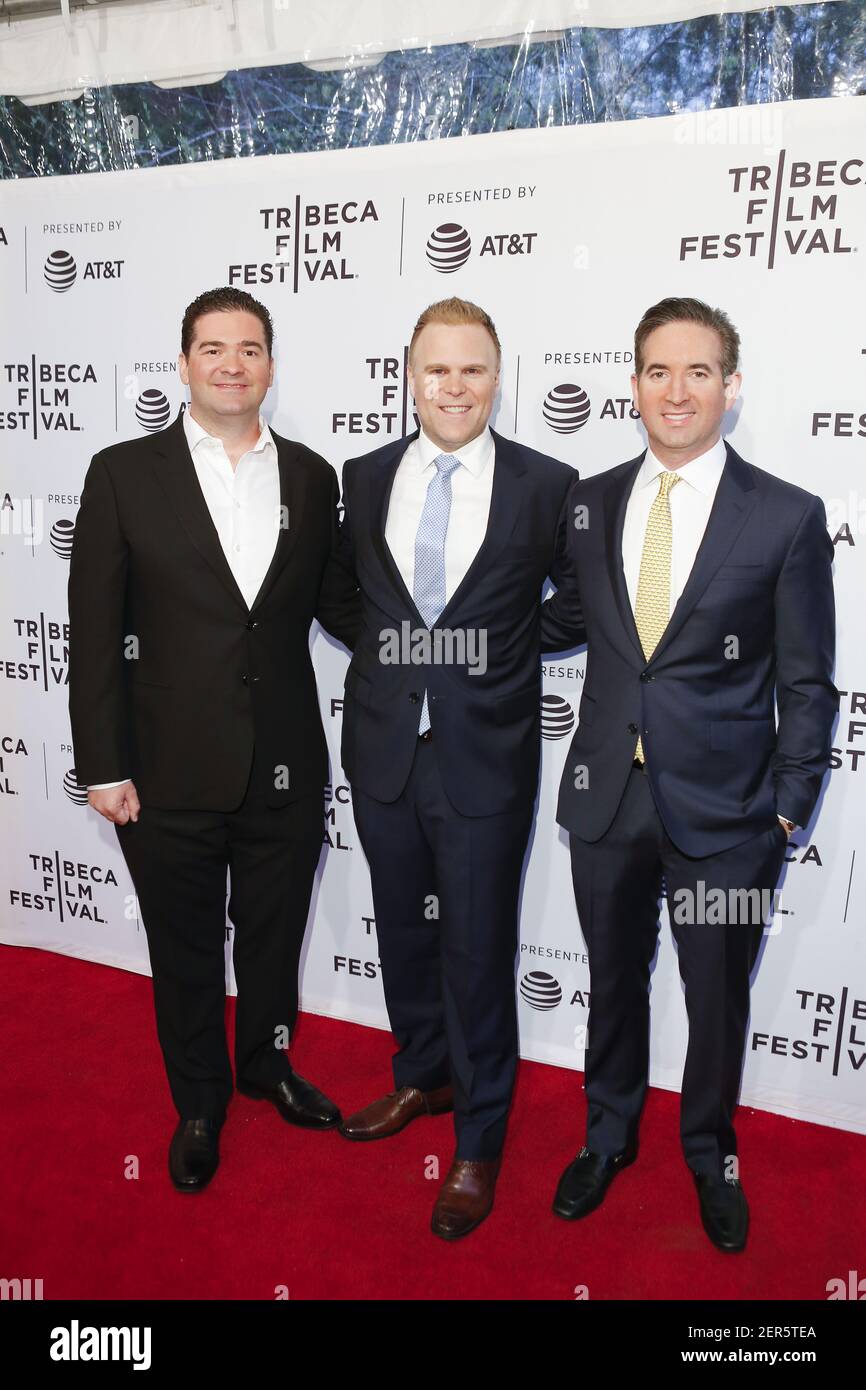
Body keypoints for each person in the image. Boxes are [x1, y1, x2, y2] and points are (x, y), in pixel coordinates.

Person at [542, 296, 837, 1251]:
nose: (677, 390)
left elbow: (807, 680)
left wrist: (787, 810)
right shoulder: (587, 502)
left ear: (731, 388)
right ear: (633, 386)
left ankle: (711, 1155)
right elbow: (559, 624)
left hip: (728, 820)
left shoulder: (787, 517)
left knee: (716, 996)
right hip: (609, 802)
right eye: (659, 371)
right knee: (613, 980)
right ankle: (607, 1136)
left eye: (699, 371)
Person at [68, 286, 360, 1192]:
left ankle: (266, 1066)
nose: (232, 364)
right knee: (184, 944)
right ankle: (200, 1100)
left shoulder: (314, 477)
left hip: (283, 763)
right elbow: (93, 631)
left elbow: (340, 608)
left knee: (273, 938)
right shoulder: (122, 473)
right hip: (162, 771)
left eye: (250, 348)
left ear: (271, 365)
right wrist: (103, 765)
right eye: (213, 348)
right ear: (185, 363)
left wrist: (453, 625)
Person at [336, 296, 582, 1239]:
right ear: (409, 374)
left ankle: (479, 1141)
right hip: (387, 747)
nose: (454, 385)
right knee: (404, 931)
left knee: (477, 952)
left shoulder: (545, 483)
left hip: (484, 757)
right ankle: (422, 1079)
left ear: (498, 375)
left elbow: (582, 599)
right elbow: (350, 599)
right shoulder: (363, 475)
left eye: (472, 368)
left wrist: (502, 648)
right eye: (437, 368)